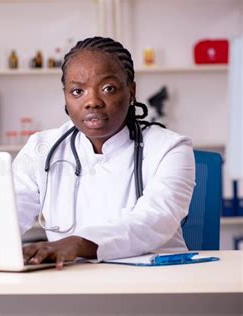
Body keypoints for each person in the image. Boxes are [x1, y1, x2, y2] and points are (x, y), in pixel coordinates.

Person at [13, 37, 195, 269]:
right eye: (77, 91)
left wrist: (77, 244)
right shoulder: (41, 148)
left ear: (131, 91)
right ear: (66, 97)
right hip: (70, 281)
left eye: (108, 88)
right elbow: (6, 214)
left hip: (154, 281)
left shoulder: (169, 148)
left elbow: (154, 220)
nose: (92, 102)